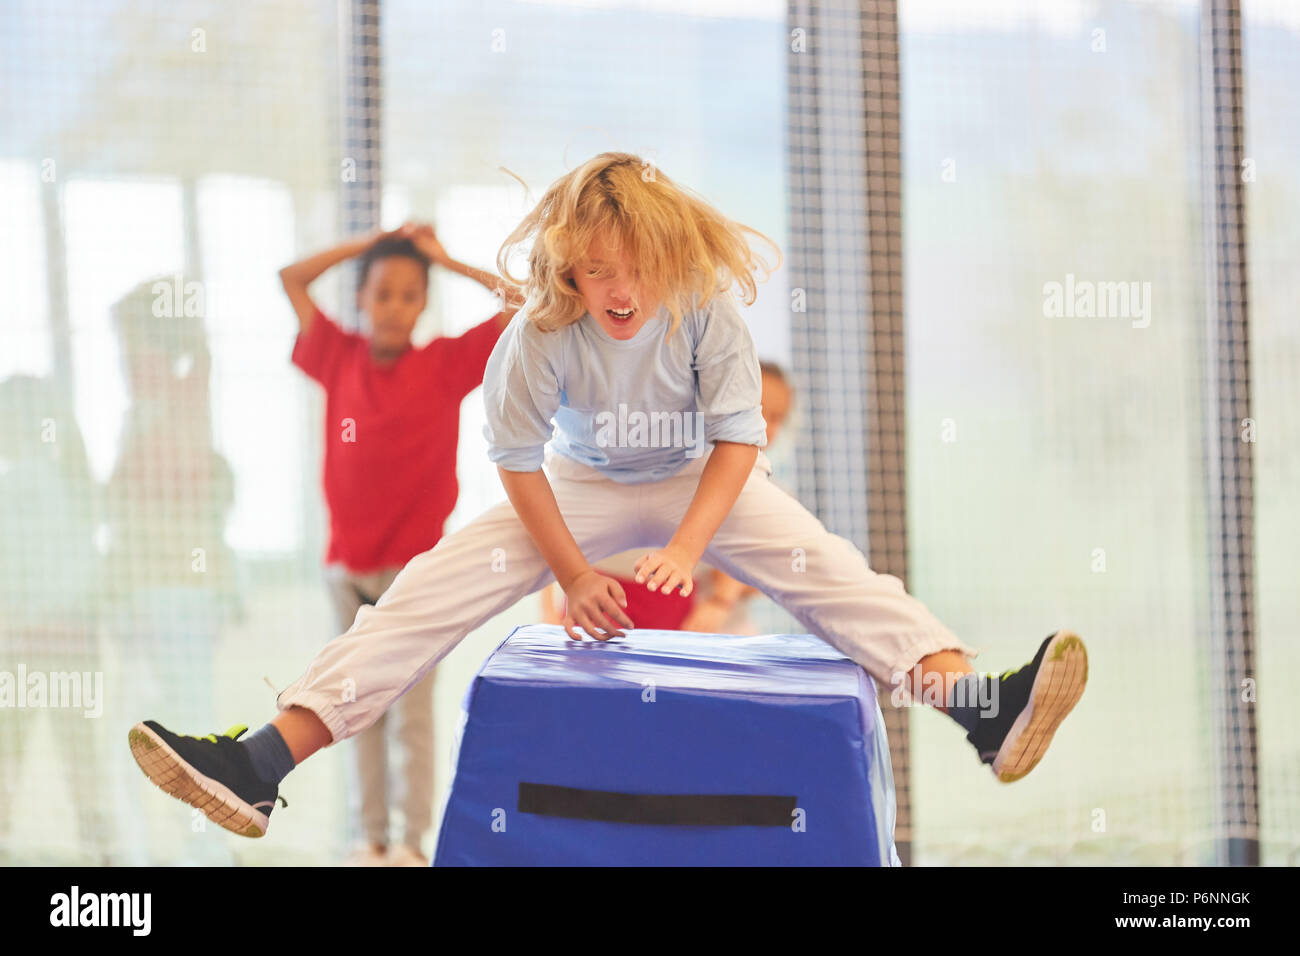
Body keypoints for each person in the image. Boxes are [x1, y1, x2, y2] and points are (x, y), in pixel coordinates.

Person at [128, 153, 1088, 846]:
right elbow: (514, 459)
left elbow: (737, 442)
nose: (616, 289)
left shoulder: (705, 302)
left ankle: (979, 707)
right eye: (594, 270)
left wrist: (689, 547)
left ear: (666, 257)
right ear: (567, 269)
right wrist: (576, 572)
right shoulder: (542, 332)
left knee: (832, 572)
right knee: (424, 593)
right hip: (579, 487)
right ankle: (260, 763)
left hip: (702, 475)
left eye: (631, 268)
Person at [276, 223, 519, 865]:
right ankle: (370, 839)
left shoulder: (443, 363)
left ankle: (411, 844)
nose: (394, 306)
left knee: (411, 718)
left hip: (416, 576)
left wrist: (444, 257)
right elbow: (291, 279)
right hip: (347, 570)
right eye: (382, 292)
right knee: (351, 712)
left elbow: (521, 300)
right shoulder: (337, 354)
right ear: (362, 296)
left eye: (411, 294)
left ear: (423, 304)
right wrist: (367, 243)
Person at [537, 359, 795, 634]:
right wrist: (548, 610)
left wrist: (723, 598)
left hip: (688, 613)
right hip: (611, 589)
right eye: (760, 411)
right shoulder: (670, 461)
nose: (766, 425)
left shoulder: (771, 495)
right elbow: (558, 531)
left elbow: (772, 568)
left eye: (778, 418)